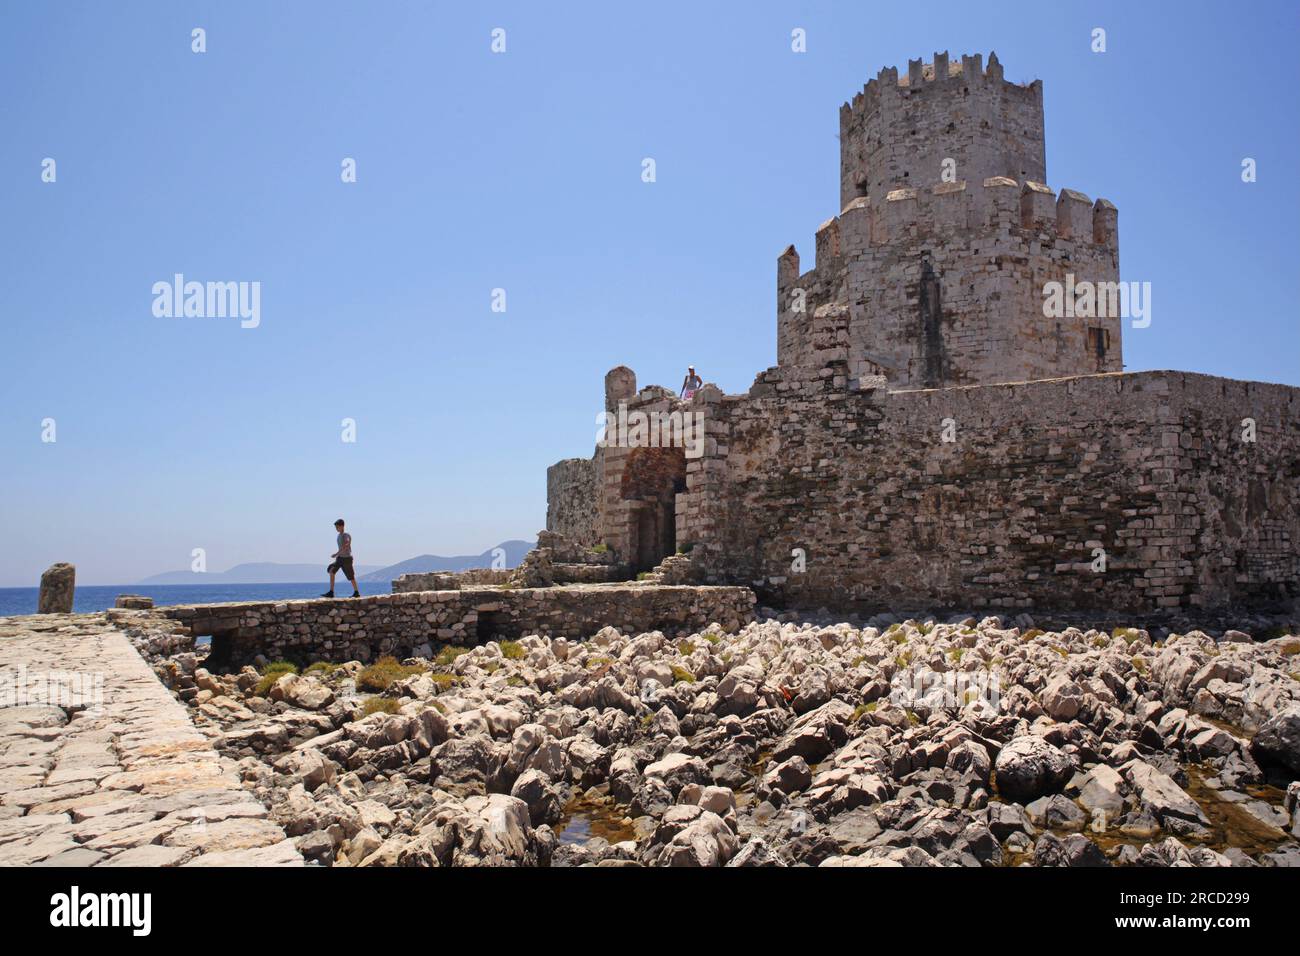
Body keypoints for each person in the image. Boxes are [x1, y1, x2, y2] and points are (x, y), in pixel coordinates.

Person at [322, 518, 360, 598]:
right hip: (340, 558)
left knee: (351, 577)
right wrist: (338, 555)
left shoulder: (345, 535)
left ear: (342, 526)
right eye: (336, 527)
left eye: (337, 527)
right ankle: (331, 592)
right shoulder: (339, 535)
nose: (336, 529)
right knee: (332, 570)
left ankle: (356, 592)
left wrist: (336, 553)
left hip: (346, 559)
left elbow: (346, 545)